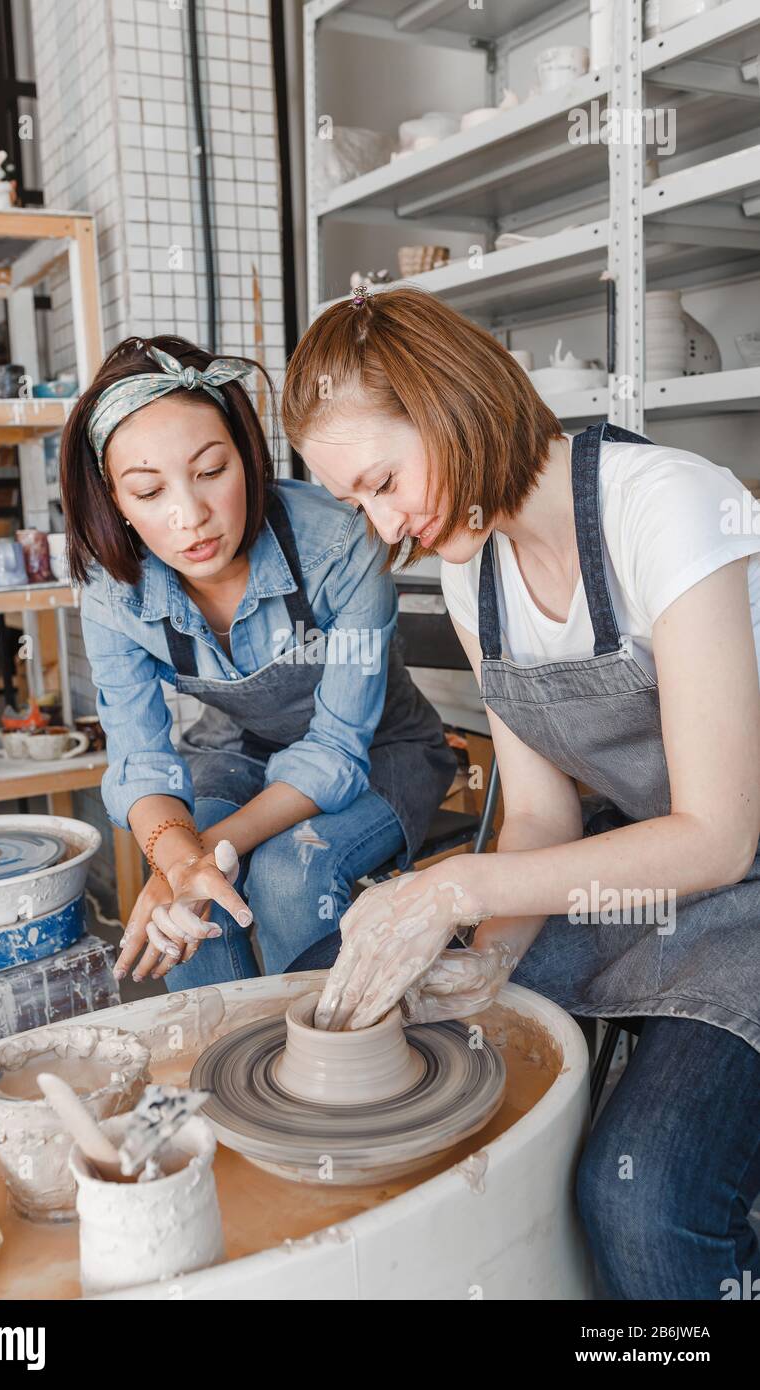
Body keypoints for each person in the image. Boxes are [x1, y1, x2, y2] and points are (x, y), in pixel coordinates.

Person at [280, 284, 760, 1300]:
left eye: (383, 481)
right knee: (335, 983)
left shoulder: (665, 504)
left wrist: (456, 892)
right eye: (357, 503)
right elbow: (539, 814)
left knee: (638, 1197)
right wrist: (481, 961)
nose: (385, 527)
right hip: (639, 867)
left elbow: (717, 838)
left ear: (447, 396)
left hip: (741, 873)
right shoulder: (475, 574)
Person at [60, 334, 455, 992]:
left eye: (212, 471)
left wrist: (199, 855)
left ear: (246, 456)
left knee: (282, 870)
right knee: (195, 882)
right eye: (149, 491)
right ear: (115, 502)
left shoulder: (339, 542)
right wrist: (180, 863)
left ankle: (330, 1068)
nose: (191, 517)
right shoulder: (112, 593)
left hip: (381, 747)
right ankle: (222, 1064)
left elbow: (334, 749)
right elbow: (140, 762)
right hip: (238, 750)